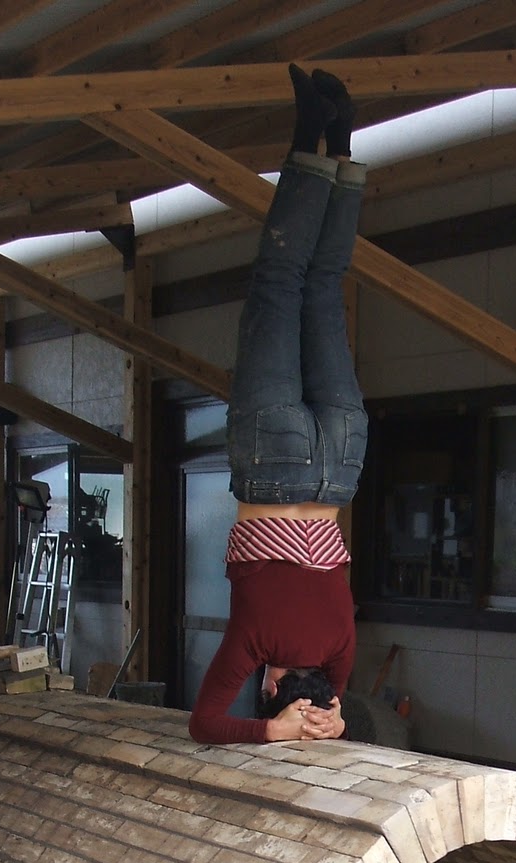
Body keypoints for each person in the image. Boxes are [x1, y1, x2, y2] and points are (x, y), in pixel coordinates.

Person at [189, 65, 367, 747]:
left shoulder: (339, 649)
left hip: (339, 467)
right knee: (279, 282)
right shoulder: (253, 638)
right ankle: (306, 136)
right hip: (276, 464)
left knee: (324, 289)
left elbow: (336, 694)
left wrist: (330, 715)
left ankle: (343, 150)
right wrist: (273, 734)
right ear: (266, 684)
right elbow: (205, 725)